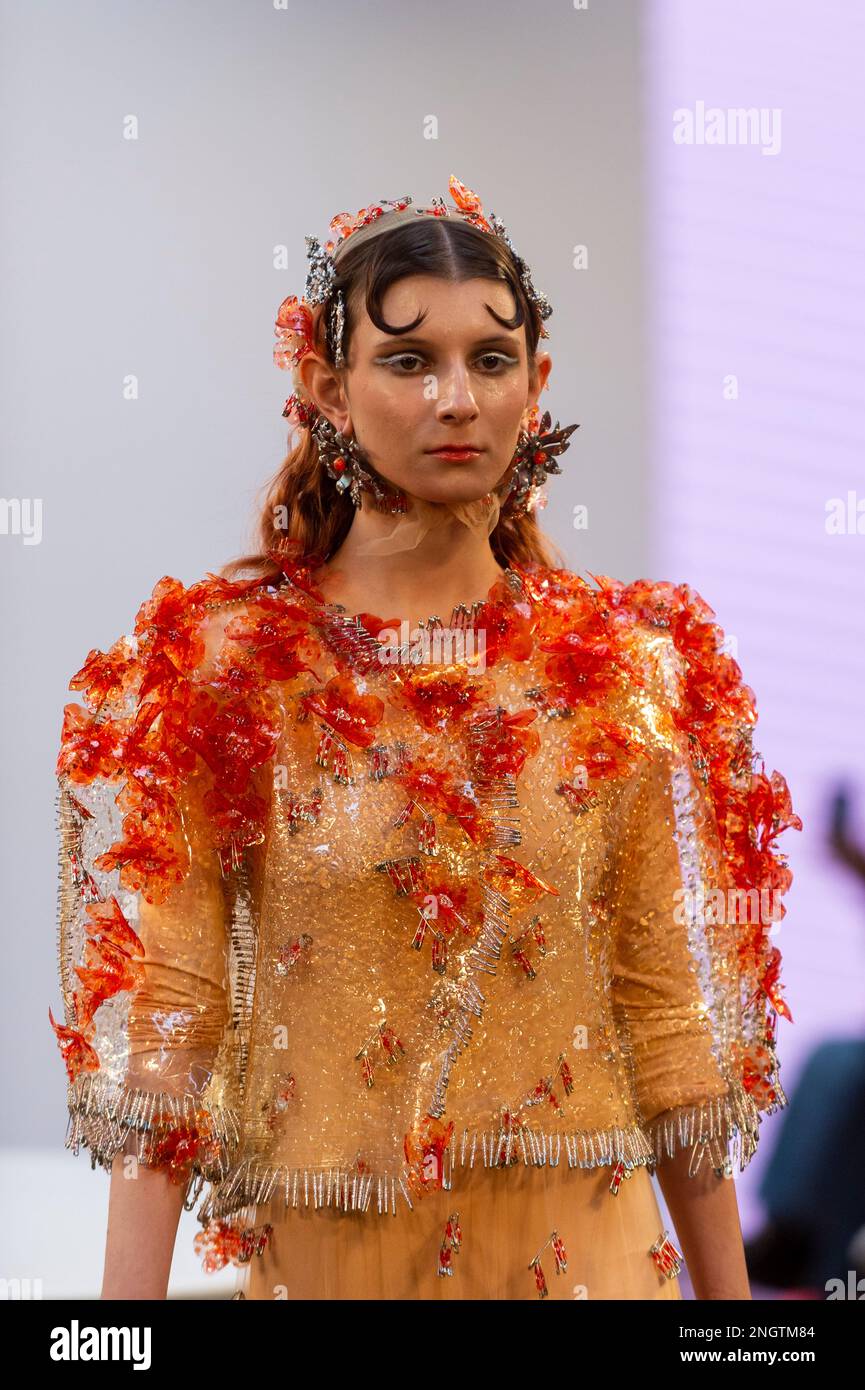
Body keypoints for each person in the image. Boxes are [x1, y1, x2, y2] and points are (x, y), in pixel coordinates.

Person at [49, 176, 801, 1301]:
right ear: (326, 388)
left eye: (490, 361)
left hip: (590, 1265)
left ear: (535, 385)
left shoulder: (626, 674)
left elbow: (670, 1024)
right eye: (408, 362)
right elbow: (172, 1022)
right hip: (325, 1266)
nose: (457, 398)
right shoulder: (225, 672)